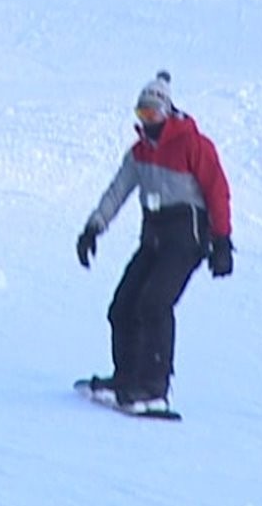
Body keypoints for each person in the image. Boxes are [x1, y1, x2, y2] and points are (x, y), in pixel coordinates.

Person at [75, 71, 233, 413]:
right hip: (153, 238)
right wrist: (93, 228)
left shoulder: (194, 145)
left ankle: (154, 387)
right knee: (122, 305)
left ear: (167, 111)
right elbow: (117, 190)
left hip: (186, 238)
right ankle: (126, 377)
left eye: (152, 114)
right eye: (141, 115)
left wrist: (221, 241)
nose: (147, 121)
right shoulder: (140, 152)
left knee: (154, 303)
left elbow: (217, 191)